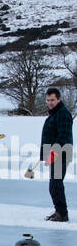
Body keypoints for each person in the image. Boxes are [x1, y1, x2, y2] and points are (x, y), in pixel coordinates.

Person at [41, 86, 73, 222]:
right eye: (48, 100)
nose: (50, 102)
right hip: (54, 153)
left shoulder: (63, 114)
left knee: (56, 184)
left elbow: (64, 137)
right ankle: (59, 211)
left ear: (59, 99)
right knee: (54, 184)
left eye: (53, 100)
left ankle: (62, 214)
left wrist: (53, 152)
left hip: (61, 154)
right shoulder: (55, 113)